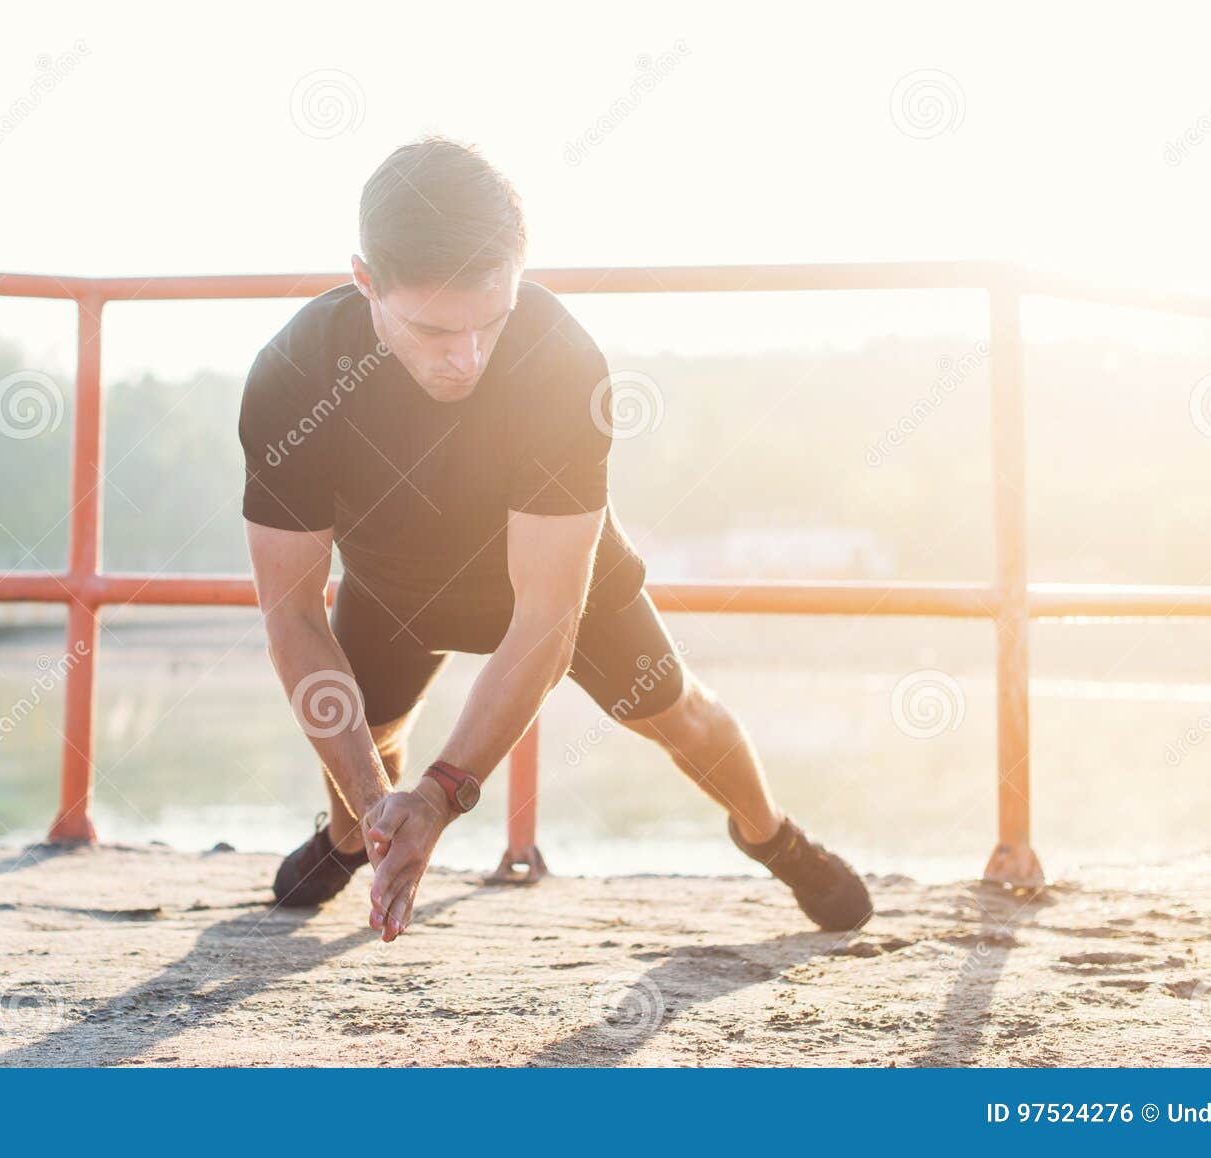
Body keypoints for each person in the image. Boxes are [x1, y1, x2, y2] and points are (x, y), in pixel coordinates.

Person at [240, 136, 872, 943]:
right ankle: (352, 836)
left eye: (491, 322)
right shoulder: (295, 373)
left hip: (563, 588)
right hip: (391, 589)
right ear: (366, 280)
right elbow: (292, 616)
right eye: (434, 330)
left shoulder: (562, 363)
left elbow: (544, 621)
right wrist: (376, 803)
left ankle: (773, 836)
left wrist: (439, 796)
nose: (466, 357)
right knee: (367, 729)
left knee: (684, 719)